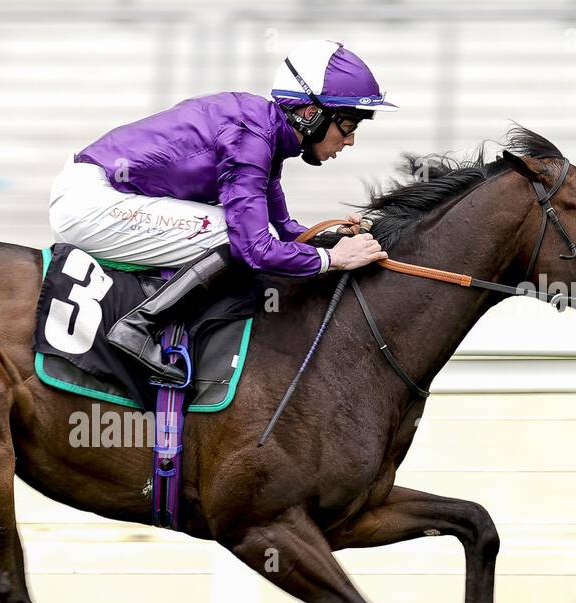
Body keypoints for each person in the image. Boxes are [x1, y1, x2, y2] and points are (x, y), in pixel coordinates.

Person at [48, 39, 397, 382]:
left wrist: (333, 239)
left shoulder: (264, 132)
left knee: (239, 231)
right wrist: (333, 260)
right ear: (311, 114)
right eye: (348, 125)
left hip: (103, 196)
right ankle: (138, 326)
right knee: (228, 234)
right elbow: (254, 248)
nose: (350, 140)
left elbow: (284, 227)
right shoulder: (250, 137)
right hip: (91, 203)